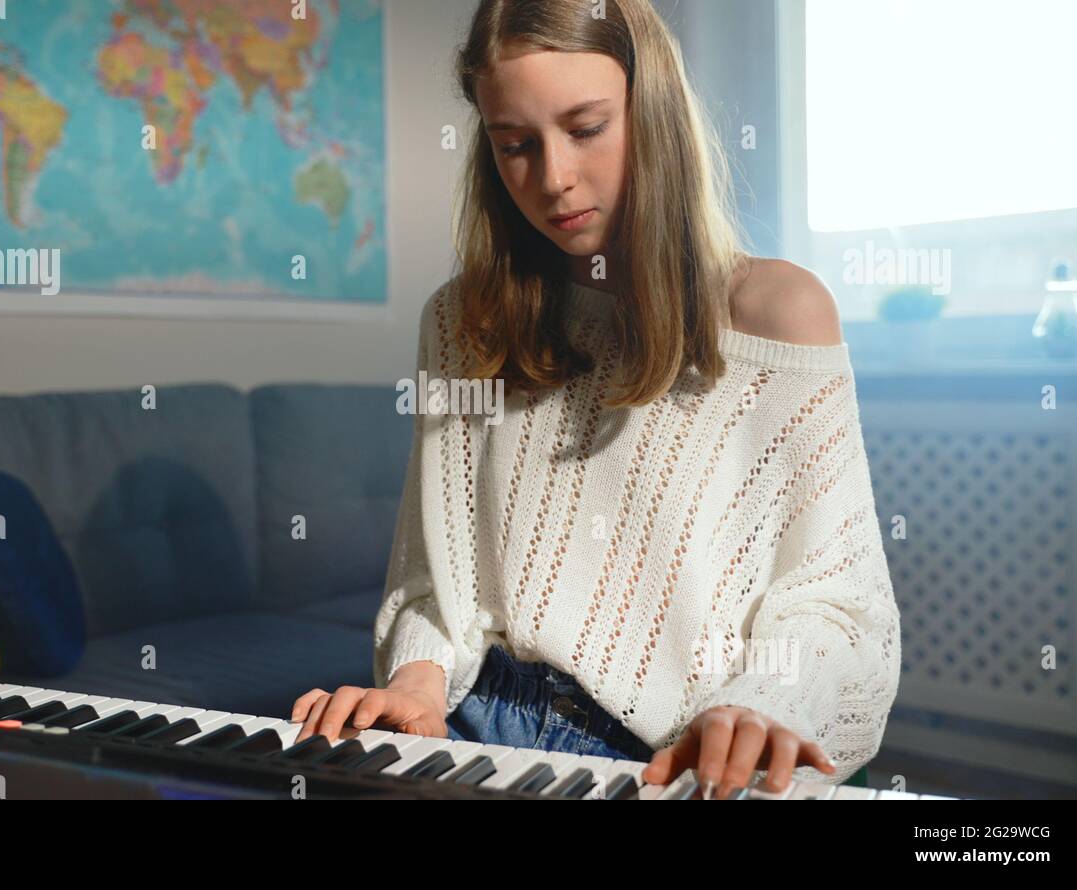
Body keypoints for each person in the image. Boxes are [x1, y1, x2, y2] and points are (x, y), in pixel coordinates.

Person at [290, 0, 900, 800]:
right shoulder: (459, 322)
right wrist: (416, 684)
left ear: (654, 113)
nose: (553, 179)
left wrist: (763, 704)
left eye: (586, 128)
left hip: (675, 752)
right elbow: (436, 583)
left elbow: (838, 608)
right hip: (477, 723)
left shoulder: (778, 313)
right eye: (515, 144)